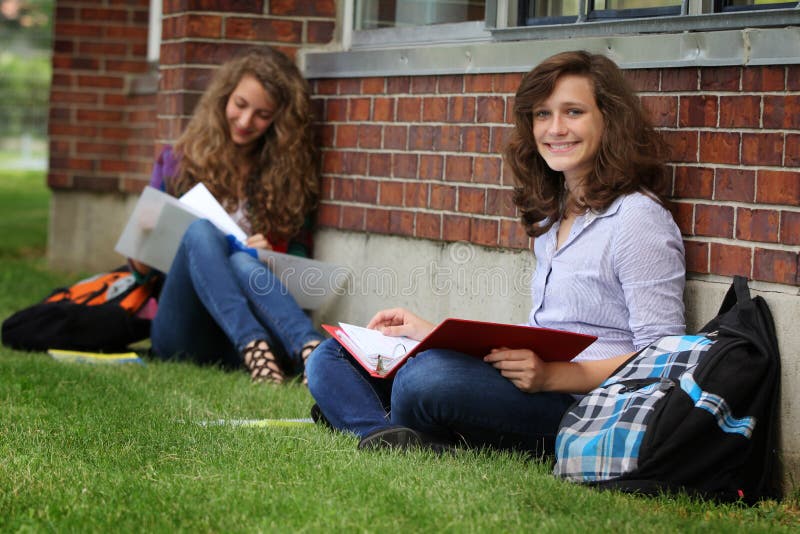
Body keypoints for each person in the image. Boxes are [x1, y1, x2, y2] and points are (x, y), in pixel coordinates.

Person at [306, 50, 686, 453]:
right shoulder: (554, 217)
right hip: (531, 381)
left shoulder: (637, 218)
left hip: (583, 406)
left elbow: (663, 358)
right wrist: (432, 335)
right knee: (337, 353)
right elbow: (541, 339)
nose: (555, 128)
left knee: (423, 377)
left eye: (573, 112)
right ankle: (377, 432)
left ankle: (360, 415)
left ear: (609, 119)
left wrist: (554, 376)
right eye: (542, 114)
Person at [131, 47, 324, 384]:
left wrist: (271, 256)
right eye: (240, 105)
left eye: (263, 114)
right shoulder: (177, 162)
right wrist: (145, 233)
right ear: (224, 98)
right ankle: (300, 350)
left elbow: (301, 267)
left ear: (280, 120)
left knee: (241, 261)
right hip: (183, 331)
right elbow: (139, 273)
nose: (246, 121)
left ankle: (307, 352)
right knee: (200, 232)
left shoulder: (289, 179)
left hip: (245, 337)